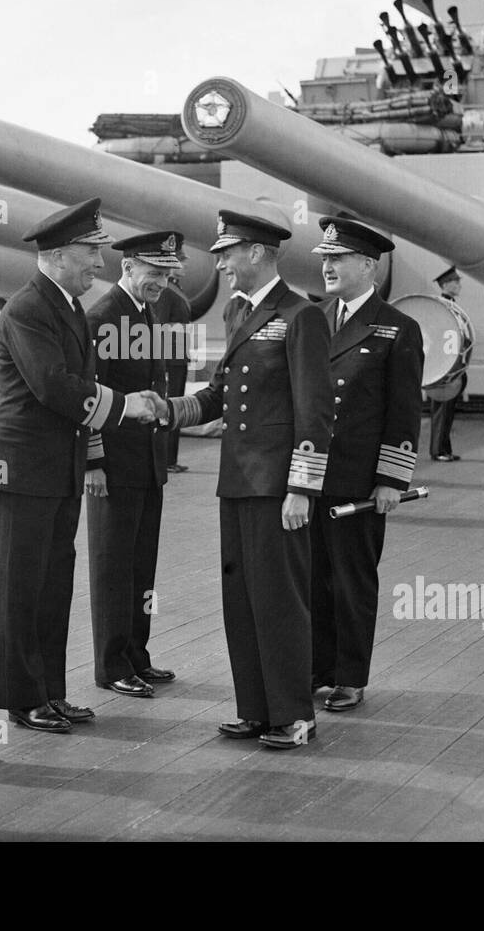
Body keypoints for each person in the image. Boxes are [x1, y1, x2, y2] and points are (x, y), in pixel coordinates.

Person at [158, 209, 333, 750]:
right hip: (236, 481)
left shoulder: (300, 316)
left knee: (280, 600)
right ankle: (256, 708)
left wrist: (301, 488)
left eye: (227, 254)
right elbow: (218, 395)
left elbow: (316, 410)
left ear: (257, 252)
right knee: (243, 600)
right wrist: (165, 410)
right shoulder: (239, 312)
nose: (221, 265)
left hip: (278, 487)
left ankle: (293, 715)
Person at [0, 198, 160, 733]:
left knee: (52, 584)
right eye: (91, 252)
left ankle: (49, 691)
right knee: (21, 588)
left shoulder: (63, 306)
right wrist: (124, 405)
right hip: (25, 470)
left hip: (57, 469)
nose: (98, 264)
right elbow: (54, 386)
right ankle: (23, 699)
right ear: (60, 254)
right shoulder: (27, 308)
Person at [309, 215, 421, 712]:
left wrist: (392, 479)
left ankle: (350, 676)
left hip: (358, 479)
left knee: (352, 579)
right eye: (325, 259)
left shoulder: (399, 329)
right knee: (312, 576)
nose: (328, 267)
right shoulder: (312, 320)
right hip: (310, 476)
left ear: (368, 265)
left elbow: (403, 410)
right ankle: (317, 667)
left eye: (338, 259)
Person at [85, 231, 183, 699]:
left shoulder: (148, 313)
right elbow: (90, 396)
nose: (160, 282)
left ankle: (135, 656)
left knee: (140, 565)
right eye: (153, 273)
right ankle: (111, 663)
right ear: (127, 267)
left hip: (146, 463)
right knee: (113, 567)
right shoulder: (104, 317)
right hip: (114, 466)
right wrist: (94, 463)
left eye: (166, 275)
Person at [152, 269, 192, 474]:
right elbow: (159, 325)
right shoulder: (166, 292)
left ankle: (170, 458)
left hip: (178, 359)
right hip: (170, 361)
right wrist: (161, 364)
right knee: (169, 407)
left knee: (176, 408)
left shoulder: (175, 288)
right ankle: (165, 458)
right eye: (180, 258)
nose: (184, 262)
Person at [429, 265, 467, 461]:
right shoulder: (441, 306)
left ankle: (444, 448)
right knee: (442, 407)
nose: (459, 284)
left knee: (448, 409)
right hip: (444, 365)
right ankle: (438, 450)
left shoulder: (449, 305)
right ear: (445, 284)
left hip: (454, 365)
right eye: (455, 281)